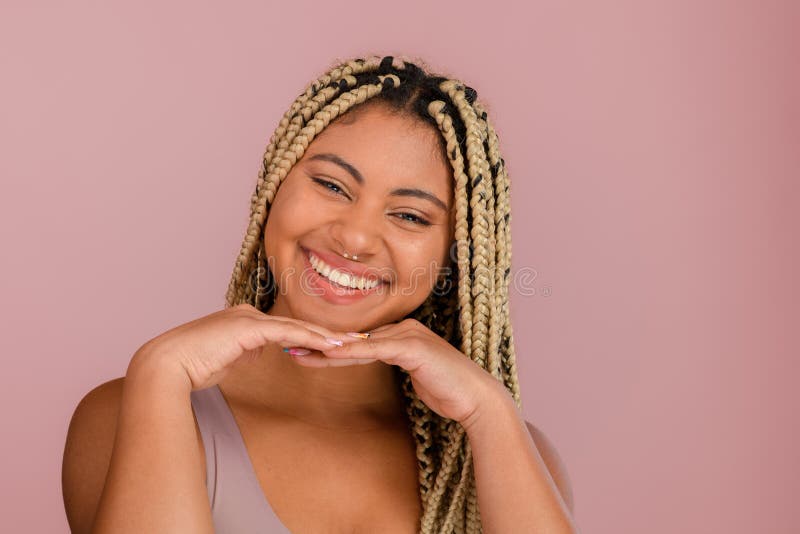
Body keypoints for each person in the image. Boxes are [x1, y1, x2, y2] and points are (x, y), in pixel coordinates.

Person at [62, 55, 577, 534]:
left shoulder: (506, 451)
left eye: (409, 216)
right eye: (332, 186)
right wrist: (161, 369)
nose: (353, 238)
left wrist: (491, 412)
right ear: (274, 186)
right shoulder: (133, 411)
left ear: (454, 257)